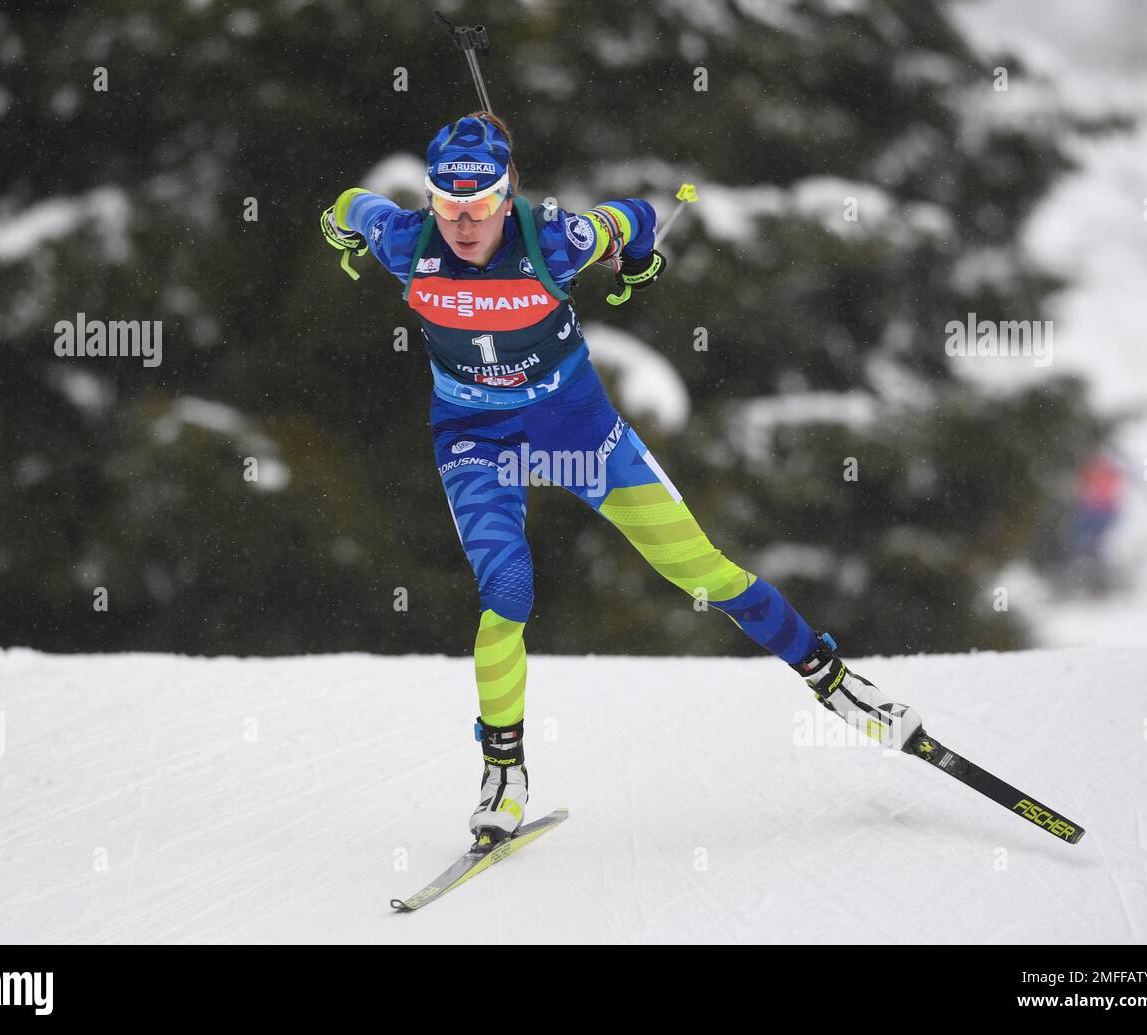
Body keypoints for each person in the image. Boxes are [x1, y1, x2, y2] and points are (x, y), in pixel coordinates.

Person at [321, 113, 922, 846]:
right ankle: (504, 771)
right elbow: (355, 206)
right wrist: (338, 222)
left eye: (481, 200)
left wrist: (635, 255)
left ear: (507, 194)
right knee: (506, 590)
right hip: (476, 439)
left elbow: (636, 215)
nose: (465, 220)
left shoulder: (554, 239)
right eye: (448, 202)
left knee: (701, 569)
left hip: (577, 431)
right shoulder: (405, 241)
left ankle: (833, 680)